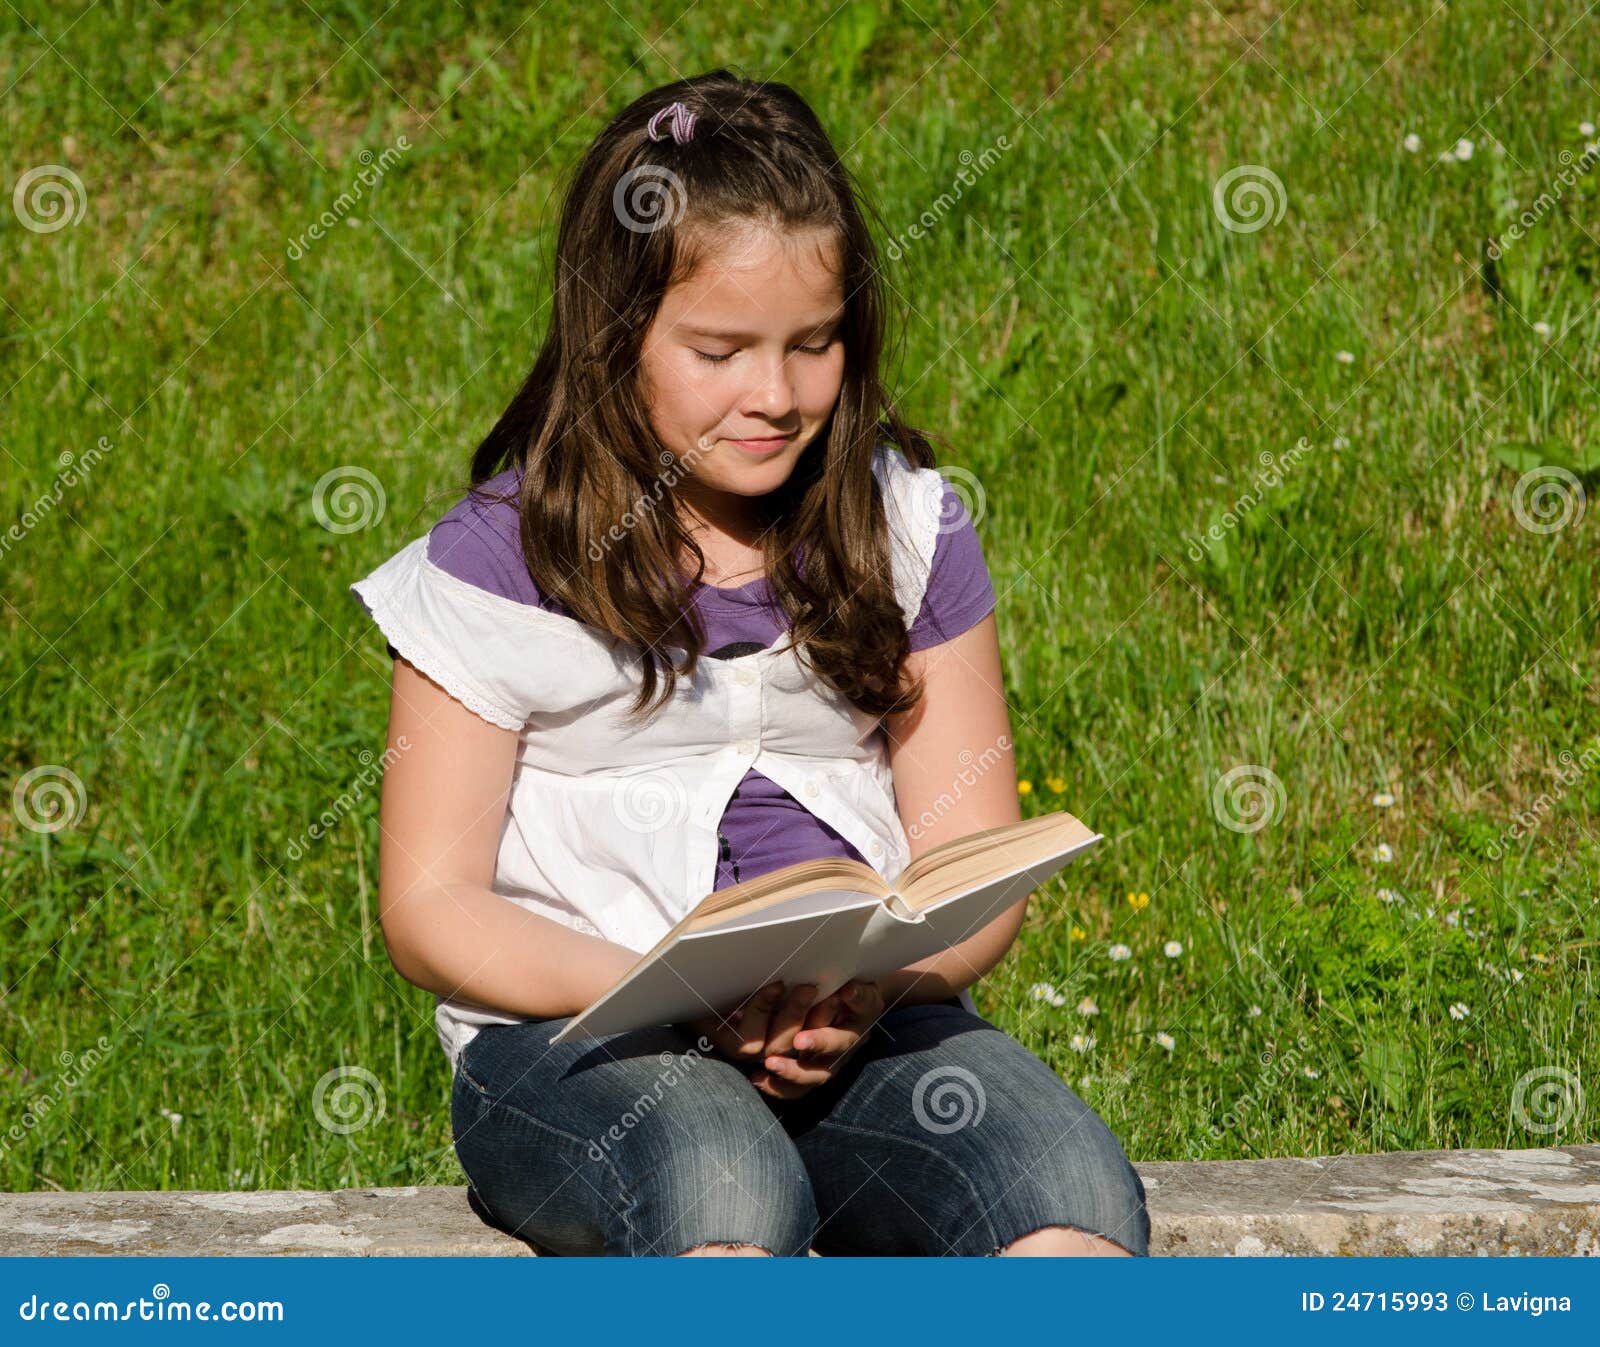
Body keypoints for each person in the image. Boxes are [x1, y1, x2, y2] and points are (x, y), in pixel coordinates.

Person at [349, 69, 1149, 1259]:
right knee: (724, 1190)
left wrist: (873, 989)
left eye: (813, 345)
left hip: (855, 1028)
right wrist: (678, 991)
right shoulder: (497, 567)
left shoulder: (904, 529)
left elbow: (969, 869)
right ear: (615, 331)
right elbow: (429, 909)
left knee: (1063, 1187)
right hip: (574, 1033)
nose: (774, 395)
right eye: (718, 351)